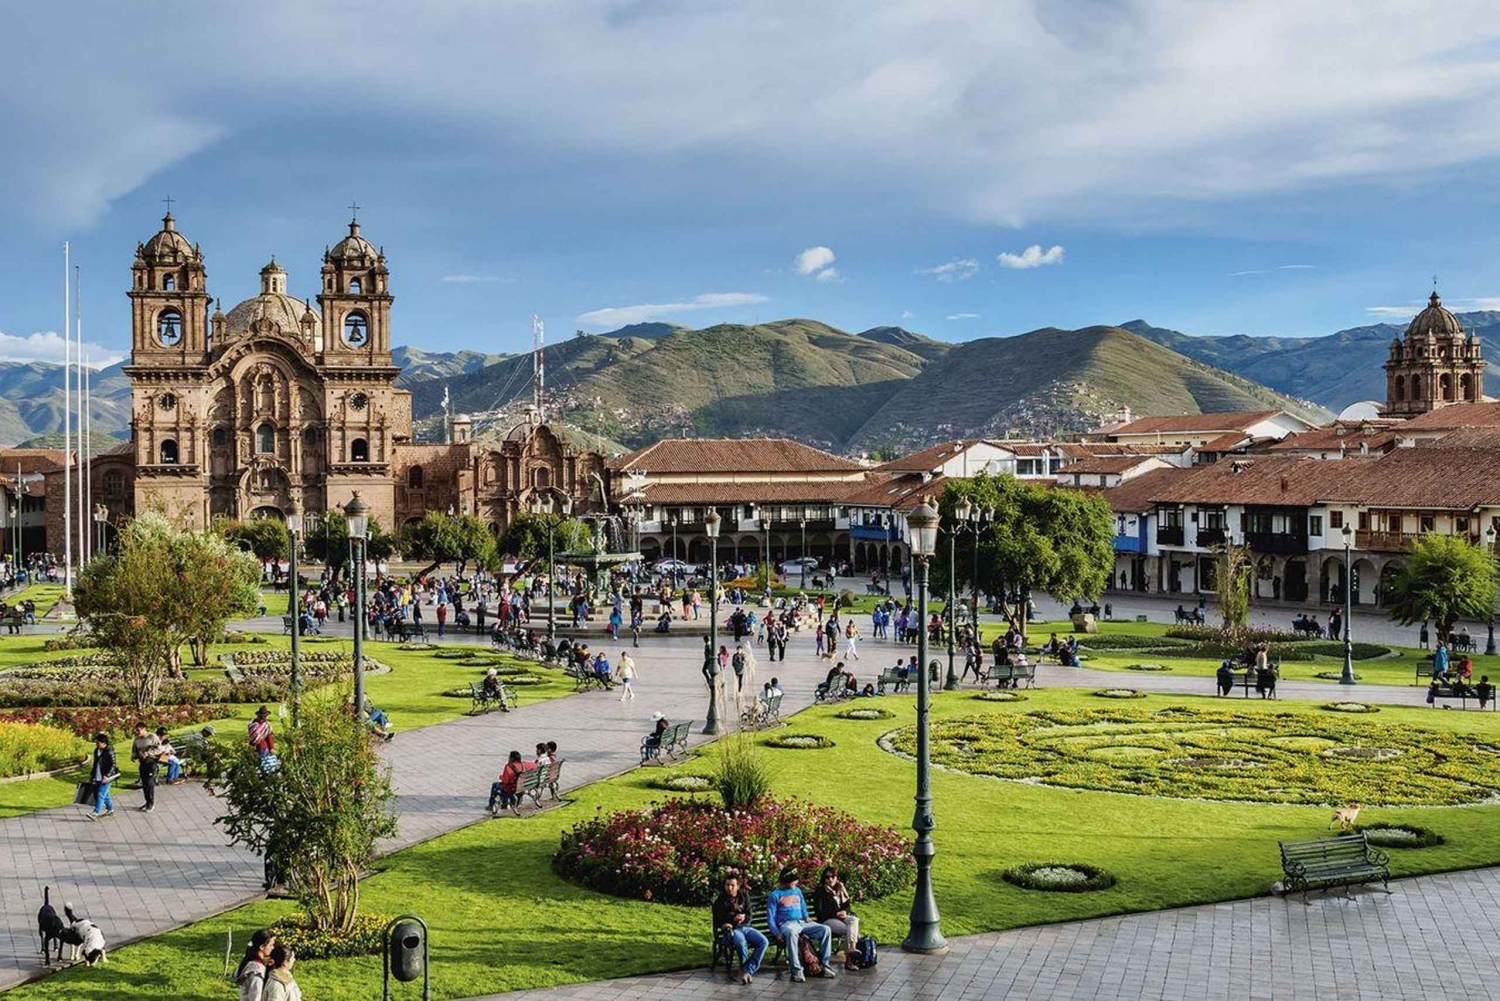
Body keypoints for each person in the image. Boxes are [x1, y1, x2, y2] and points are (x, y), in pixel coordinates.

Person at [766, 867, 834, 982]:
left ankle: (825, 965)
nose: (796, 882)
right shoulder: (775, 895)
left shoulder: (797, 890)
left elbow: (803, 907)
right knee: (792, 933)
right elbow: (771, 917)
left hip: (801, 923)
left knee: (826, 929)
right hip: (786, 925)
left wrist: (806, 916)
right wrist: (776, 932)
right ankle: (796, 970)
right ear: (786, 880)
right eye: (793, 880)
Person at [713, 872, 767, 984]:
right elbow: (718, 918)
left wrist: (743, 918)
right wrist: (732, 919)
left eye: (732, 885)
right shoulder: (721, 900)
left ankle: (748, 970)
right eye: (727, 885)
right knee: (741, 943)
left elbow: (749, 914)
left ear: (737, 886)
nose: (729, 887)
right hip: (733, 930)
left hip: (746, 927)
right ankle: (745, 971)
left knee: (763, 941)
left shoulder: (743, 896)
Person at [814, 866, 861, 967]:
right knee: (851, 930)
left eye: (833, 876)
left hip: (840, 917)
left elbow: (847, 905)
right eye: (827, 877)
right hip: (827, 919)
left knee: (854, 920)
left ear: (837, 877)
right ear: (824, 878)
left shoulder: (839, 889)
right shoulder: (820, 891)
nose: (830, 879)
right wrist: (835, 913)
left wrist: (844, 911)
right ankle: (849, 961)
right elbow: (820, 911)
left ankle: (851, 947)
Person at [488, 750, 534, 815]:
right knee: (506, 786)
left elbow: (505, 781)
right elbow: (535, 765)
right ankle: (505, 803)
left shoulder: (508, 766)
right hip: (522, 786)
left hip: (511, 788)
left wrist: (501, 777)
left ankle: (492, 804)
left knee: (495, 785)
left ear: (512, 758)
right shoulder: (524, 764)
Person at [131, 722, 161, 813]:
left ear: (144, 729)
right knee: (144, 784)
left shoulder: (152, 737)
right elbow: (134, 751)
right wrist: (134, 756)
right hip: (142, 763)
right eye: (136, 730)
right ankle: (147, 801)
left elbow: (159, 749)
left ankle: (151, 803)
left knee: (149, 783)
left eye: (139, 730)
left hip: (151, 762)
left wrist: (148, 753)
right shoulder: (136, 740)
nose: (137, 732)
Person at [86, 732, 118, 821]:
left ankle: (95, 813)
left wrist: (107, 776)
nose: (96, 744)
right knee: (105, 794)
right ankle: (110, 809)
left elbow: (113, 765)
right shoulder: (96, 750)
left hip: (107, 777)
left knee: (101, 794)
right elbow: (95, 764)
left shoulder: (109, 751)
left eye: (98, 743)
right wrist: (92, 775)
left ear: (104, 743)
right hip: (98, 776)